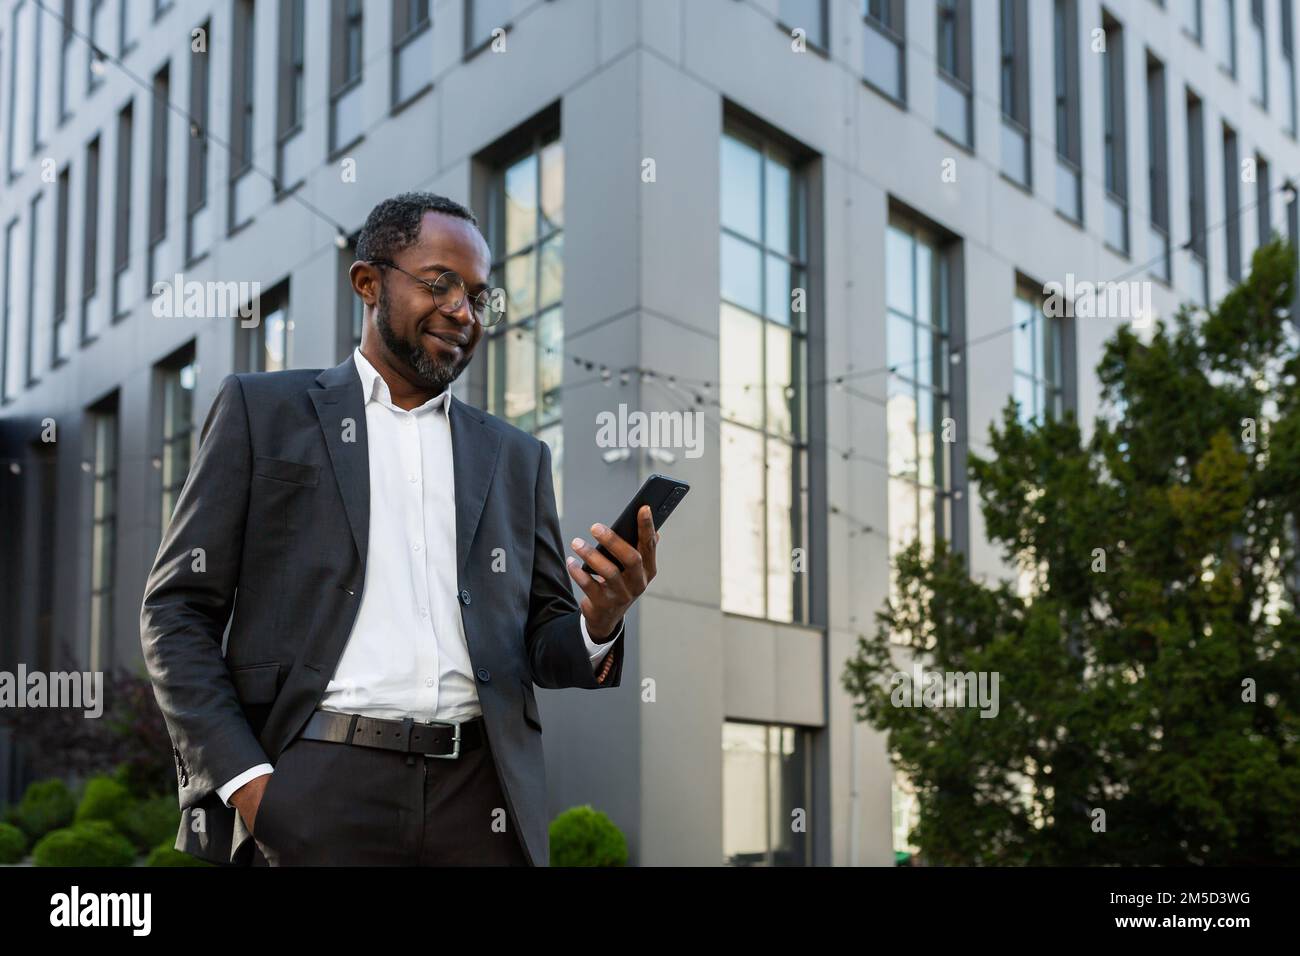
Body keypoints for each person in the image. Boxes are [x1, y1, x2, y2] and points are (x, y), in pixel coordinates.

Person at [140, 192, 659, 865]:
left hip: (481, 801)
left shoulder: (516, 458)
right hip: (318, 786)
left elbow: (541, 645)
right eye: (440, 283)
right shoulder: (263, 413)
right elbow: (177, 610)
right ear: (368, 282)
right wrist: (249, 786)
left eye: (478, 296)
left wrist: (600, 622)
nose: (462, 311)